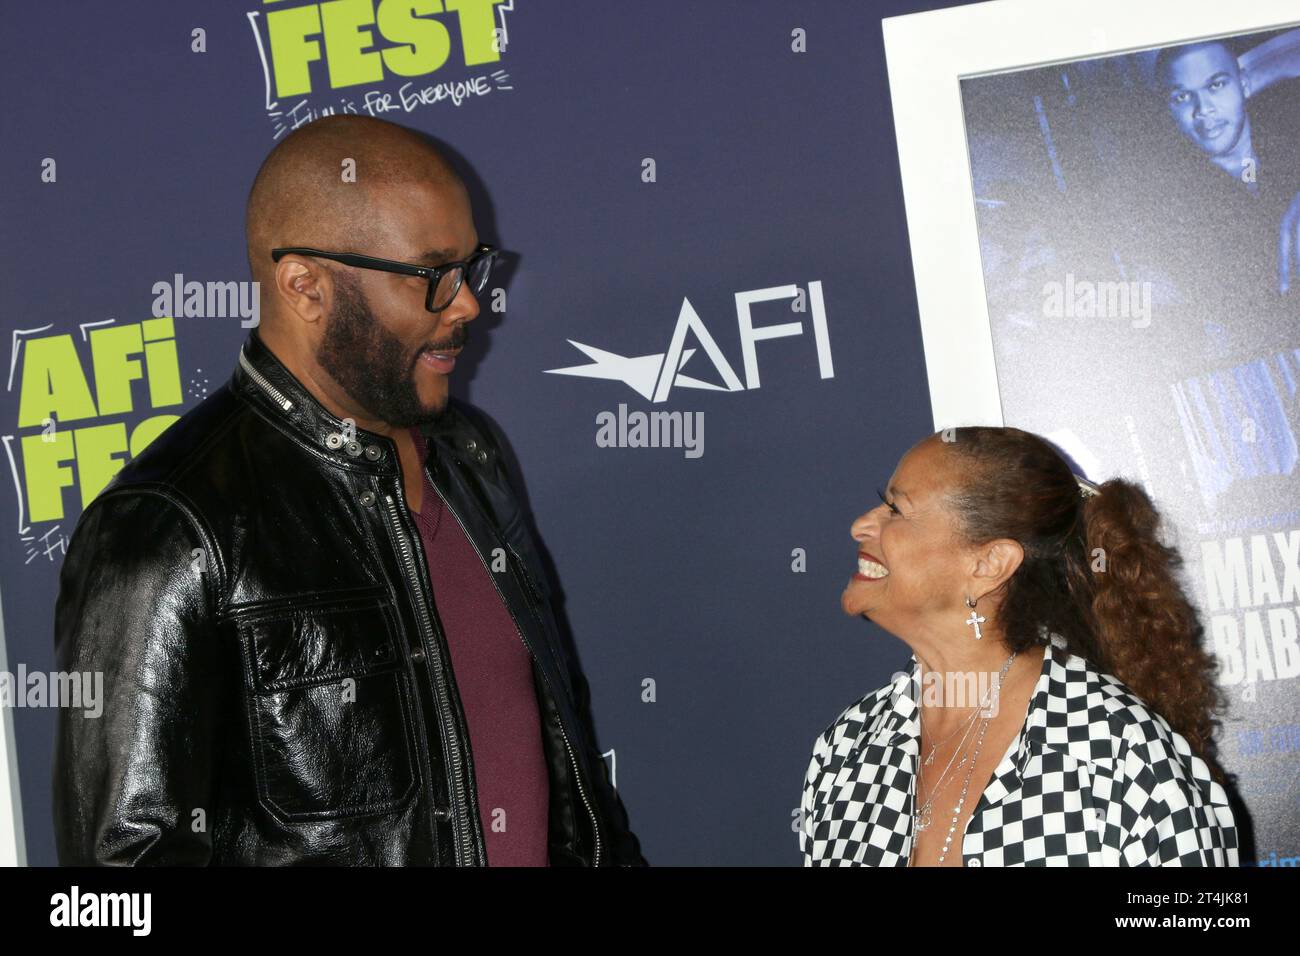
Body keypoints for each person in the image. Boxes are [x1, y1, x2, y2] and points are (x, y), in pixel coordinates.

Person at [52, 114, 644, 866]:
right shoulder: (169, 526)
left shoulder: (470, 453)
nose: (467, 303)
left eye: (471, 267)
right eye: (433, 275)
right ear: (306, 287)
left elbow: (568, 770)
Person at [799, 426, 1239, 866]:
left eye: (895, 509)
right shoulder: (847, 748)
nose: (861, 525)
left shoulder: (1123, 761)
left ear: (989, 564)